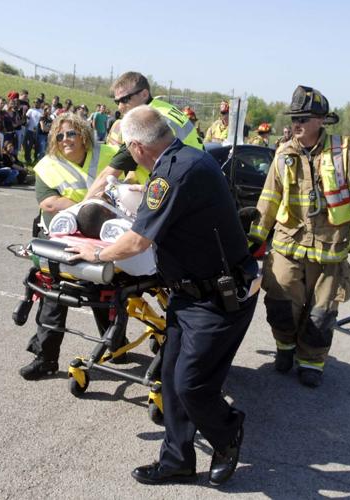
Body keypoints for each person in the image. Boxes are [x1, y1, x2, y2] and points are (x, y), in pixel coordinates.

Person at [66, 106, 259, 487]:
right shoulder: (185, 160)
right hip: (190, 294)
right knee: (170, 381)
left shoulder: (172, 173)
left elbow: (137, 241)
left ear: (137, 147)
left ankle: (227, 433)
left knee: (191, 384)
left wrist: (97, 253)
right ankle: (177, 462)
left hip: (219, 299)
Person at [248, 86, 350, 388]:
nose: (297, 123)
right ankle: (285, 349)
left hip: (330, 248)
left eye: (304, 118)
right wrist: (256, 236)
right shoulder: (283, 153)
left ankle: (311, 361)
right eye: (295, 117)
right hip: (287, 244)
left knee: (321, 313)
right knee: (280, 304)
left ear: (321, 120)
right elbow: (268, 198)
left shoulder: (345, 153)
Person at [19, 112, 120, 380]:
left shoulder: (109, 154)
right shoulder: (48, 165)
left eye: (71, 133)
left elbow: (136, 180)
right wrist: (88, 206)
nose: (65, 139)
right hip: (62, 240)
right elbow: (48, 202)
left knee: (108, 292)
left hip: (103, 238)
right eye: (60, 135)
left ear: (84, 135)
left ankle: (114, 345)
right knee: (53, 296)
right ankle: (46, 358)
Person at [85, 71, 201, 198]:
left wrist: (78, 211)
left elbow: (108, 174)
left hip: (183, 191)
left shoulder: (147, 122)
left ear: (144, 94)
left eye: (124, 100)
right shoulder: (162, 108)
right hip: (194, 179)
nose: (120, 107)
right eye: (116, 102)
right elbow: (135, 165)